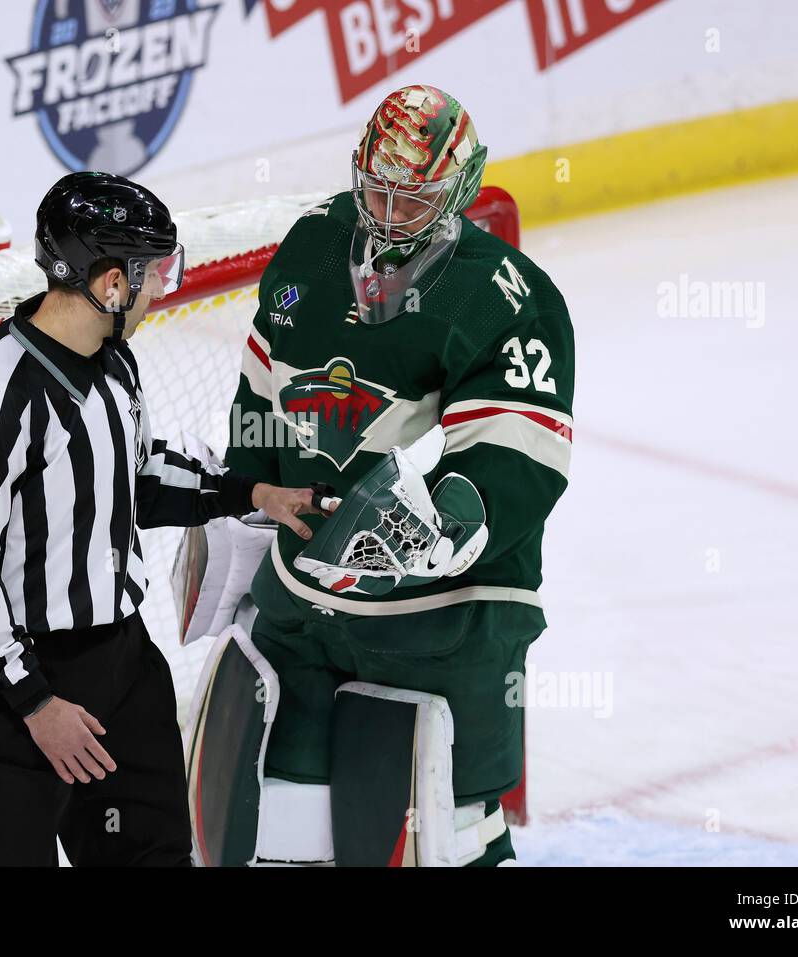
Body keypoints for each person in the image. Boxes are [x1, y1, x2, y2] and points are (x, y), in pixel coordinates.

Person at [0, 171, 325, 866]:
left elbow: (133, 480)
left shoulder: (113, 363)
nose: (163, 288)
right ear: (111, 282)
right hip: (4, 697)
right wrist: (34, 703)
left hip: (119, 668)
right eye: (153, 273)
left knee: (153, 856)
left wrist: (253, 493)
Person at [219, 84, 575, 865]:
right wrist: (241, 506)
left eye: (412, 199)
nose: (386, 213)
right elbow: (262, 390)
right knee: (278, 828)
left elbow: (517, 448)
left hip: (444, 620)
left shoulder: (505, 297)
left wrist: (450, 520)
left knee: (439, 836)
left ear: (459, 189)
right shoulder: (312, 247)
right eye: (375, 189)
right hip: (307, 602)